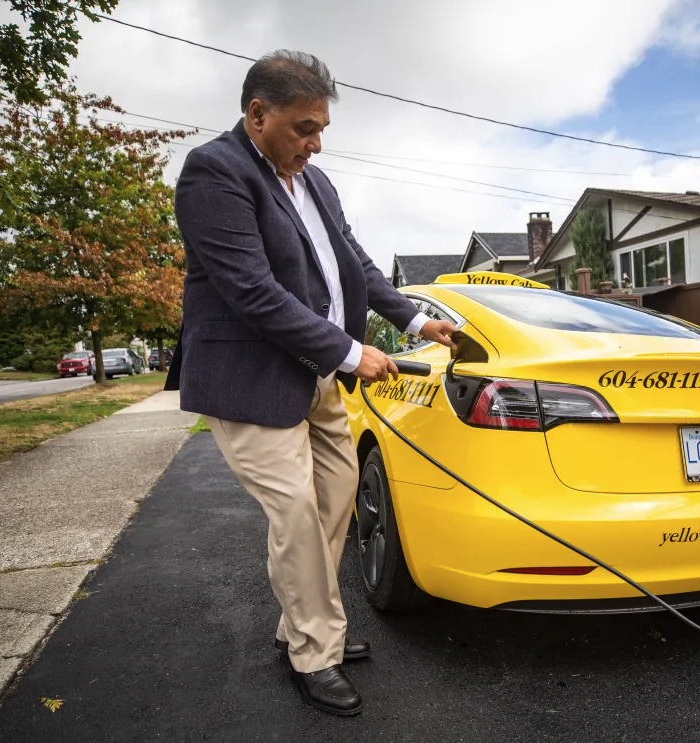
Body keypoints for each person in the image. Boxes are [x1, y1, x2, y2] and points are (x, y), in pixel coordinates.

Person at [167, 50, 456, 716]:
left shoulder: (316, 181)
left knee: (335, 498)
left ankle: (300, 625)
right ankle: (314, 651)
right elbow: (251, 291)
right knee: (296, 512)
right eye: (303, 127)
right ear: (257, 114)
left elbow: (352, 260)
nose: (315, 141)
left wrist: (413, 317)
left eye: (321, 127)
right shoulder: (215, 172)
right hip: (249, 376)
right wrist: (354, 353)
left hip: (317, 375)